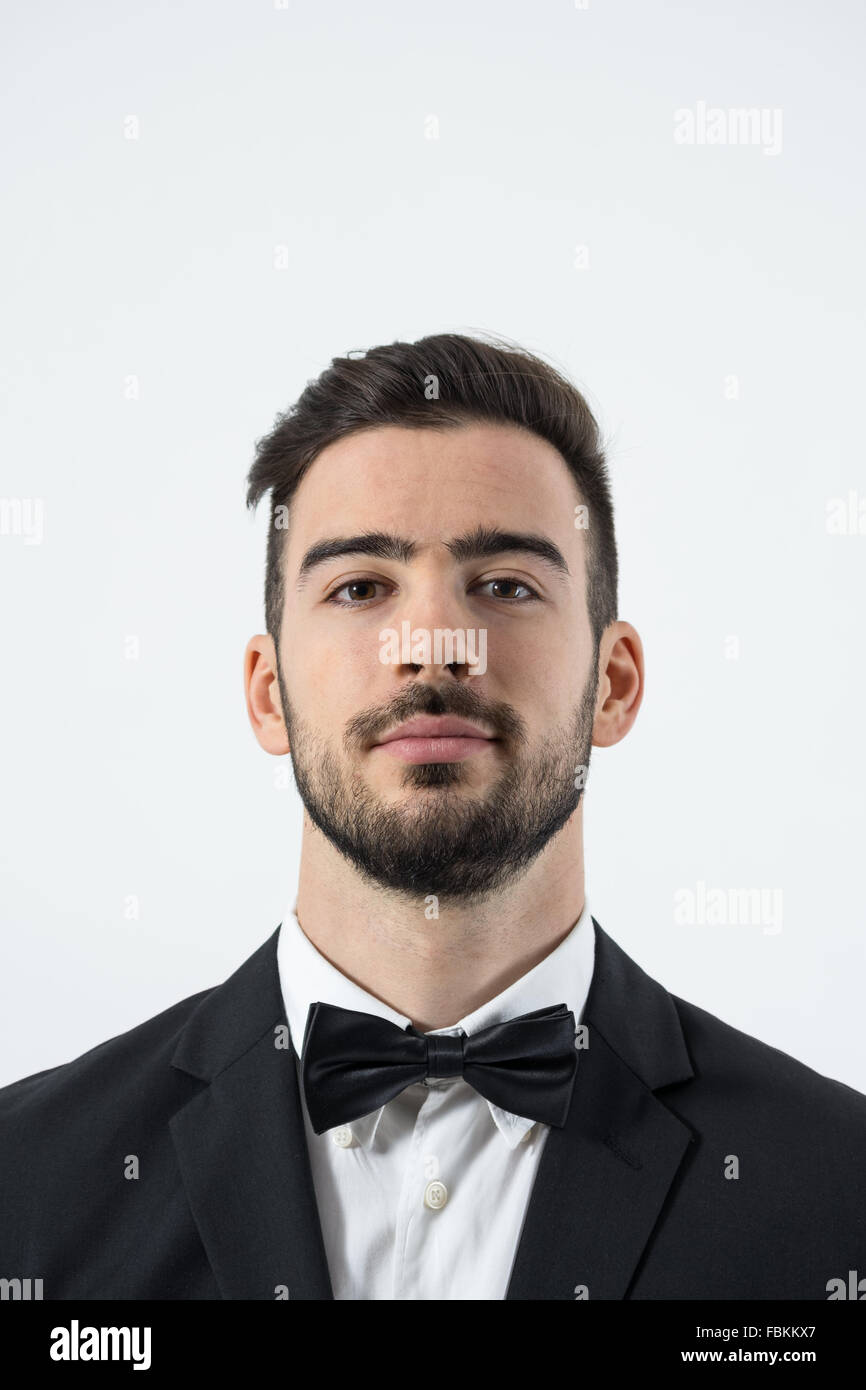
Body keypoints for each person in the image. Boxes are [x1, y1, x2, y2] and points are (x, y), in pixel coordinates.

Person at [1, 333, 864, 1301]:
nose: (431, 646)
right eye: (360, 587)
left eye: (502, 585)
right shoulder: (24, 1187)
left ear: (612, 684)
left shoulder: (839, 1195)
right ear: (267, 694)